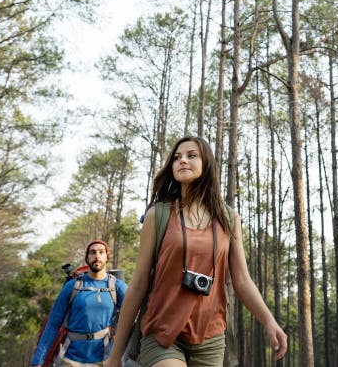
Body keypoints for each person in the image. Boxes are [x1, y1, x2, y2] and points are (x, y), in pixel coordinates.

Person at [106, 136, 287, 367]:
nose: (182, 161)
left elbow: (242, 280)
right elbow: (138, 284)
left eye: (191, 156)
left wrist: (269, 321)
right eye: (177, 158)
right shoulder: (157, 215)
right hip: (162, 332)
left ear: (206, 165)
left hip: (210, 336)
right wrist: (114, 356)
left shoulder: (229, 218)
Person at [32, 239, 128, 367]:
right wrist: (37, 361)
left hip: (104, 359)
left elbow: (134, 318)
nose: (97, 256)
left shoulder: (117, 287)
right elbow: (53, 324)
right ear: (87, 258)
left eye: (101, 252)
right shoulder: (71, 286)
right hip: (70, 360)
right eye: (93, 252)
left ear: (107, 257)